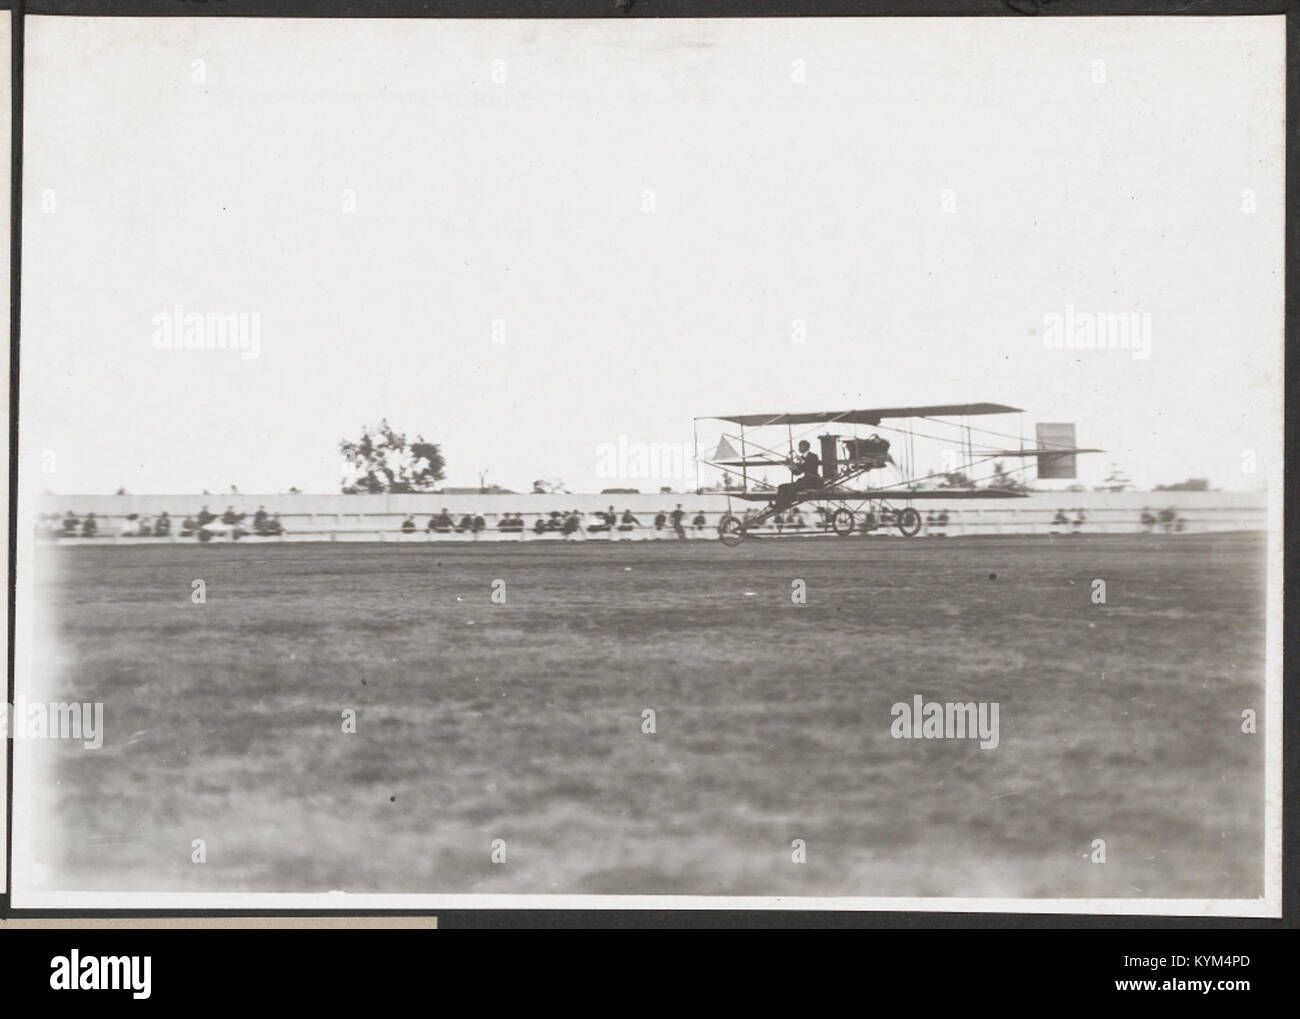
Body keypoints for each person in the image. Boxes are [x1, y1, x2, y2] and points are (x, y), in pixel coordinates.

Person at [774, 440, 821, 512]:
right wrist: (791, 465)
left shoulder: (813, 456)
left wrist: (801, 461)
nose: (799, 449)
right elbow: (797, 473)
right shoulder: (801, 458)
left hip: (813, 482)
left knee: (794, 486)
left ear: (806, 447)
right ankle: (778, 504)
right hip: (805, 481)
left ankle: (787, 502)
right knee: (782, 487)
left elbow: (811, 469)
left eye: (800, 446)